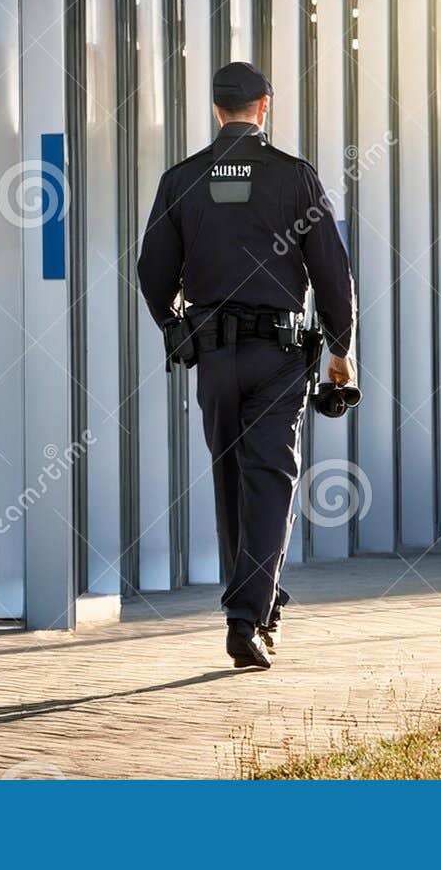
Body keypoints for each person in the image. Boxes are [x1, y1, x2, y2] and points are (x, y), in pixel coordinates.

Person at [137, 61, 356, 670]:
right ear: (265, 106)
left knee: (232, 479)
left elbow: (151, 270)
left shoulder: (181, 180)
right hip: (279, 357)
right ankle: (248, 616)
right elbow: (332, 274)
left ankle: (260, 599)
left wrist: (173, 323)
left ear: (216, 110)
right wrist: (341, 348)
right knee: (271, 480)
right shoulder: (294, 178)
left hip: (213, 356)